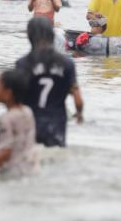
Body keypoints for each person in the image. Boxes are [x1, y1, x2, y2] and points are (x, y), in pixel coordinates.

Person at [16, 17, 84, 147]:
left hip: (30, 124)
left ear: (30, 36)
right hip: (56, 124)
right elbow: (77, 98)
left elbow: (16, 98)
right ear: (51, 35)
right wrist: (79, 114)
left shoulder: (23, 63)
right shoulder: (67, 64)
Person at [0, 69, 39, 175]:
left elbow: (6, 151)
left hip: (13, 173)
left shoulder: (6, 119)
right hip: (32, 169)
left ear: (8, 93)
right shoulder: (28, 111)